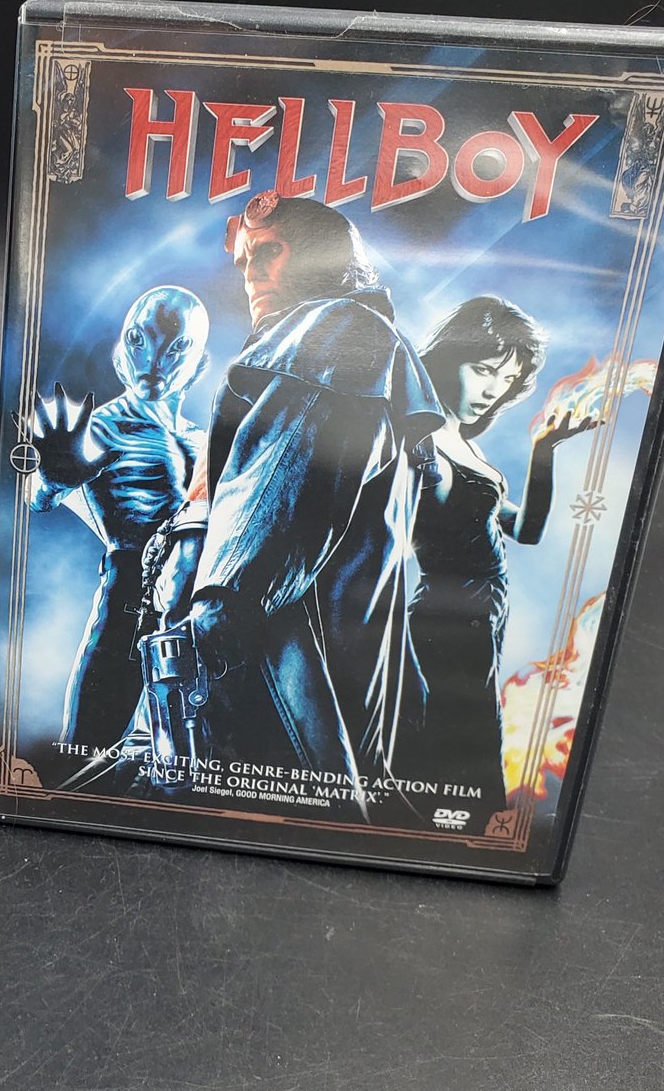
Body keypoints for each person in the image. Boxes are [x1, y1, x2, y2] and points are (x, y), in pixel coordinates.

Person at [123, 191, 444, 823]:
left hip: (270, 654)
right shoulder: (333, 342)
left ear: (326, 257)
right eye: (245, 259)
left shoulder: (335, 330)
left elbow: (273, 495)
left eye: (269, 252)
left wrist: (211, 616)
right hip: (303, 658)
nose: (252, 272)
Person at [401, 295, 595, 816]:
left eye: (506, 379)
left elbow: (526, 530)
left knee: (468, 738)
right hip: (449, 616)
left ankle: (455, 829)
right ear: (449, 358)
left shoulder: (464, 444)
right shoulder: (422, 439)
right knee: (455, 743)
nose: (493, 391)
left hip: (480, 615)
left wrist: (544, 452)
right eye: (483, 370)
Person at [26, 287, 209, 748]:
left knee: (192, 748)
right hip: (132, 597)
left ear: (200, 363)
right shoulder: (101, 427)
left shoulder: (204, 439)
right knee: (87, 749)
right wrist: (51, 478)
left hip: (200, 607)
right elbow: (39, 496)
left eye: (177, 347)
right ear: (119, 351)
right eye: (139, 340)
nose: (155, 361)